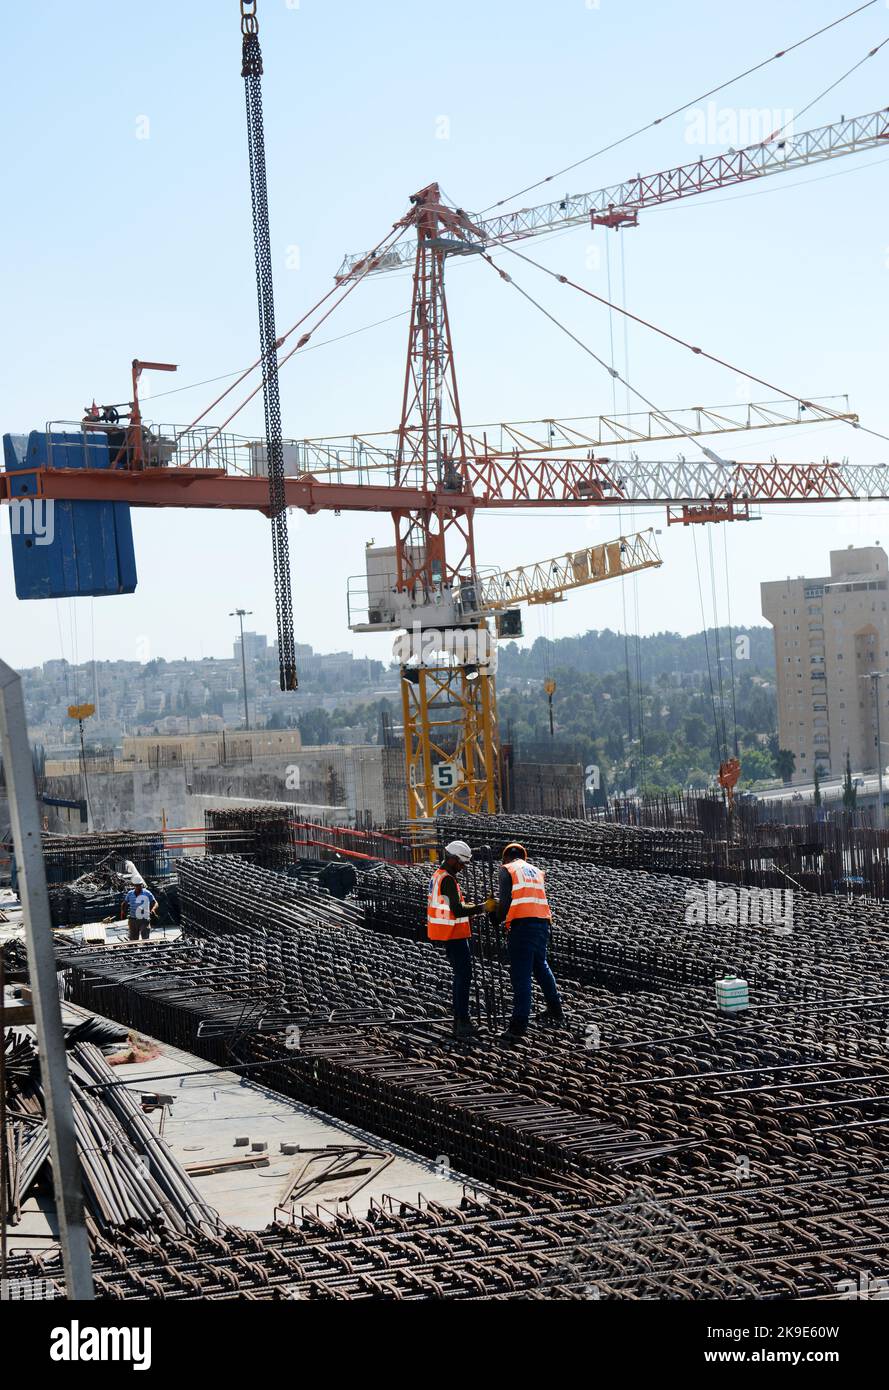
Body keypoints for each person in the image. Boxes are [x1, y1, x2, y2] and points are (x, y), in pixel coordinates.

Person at [490, 842, 563, 1044]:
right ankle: (556, 1010)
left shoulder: (507, 870)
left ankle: (518, 1026)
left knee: (521, 975)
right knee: (541, 966)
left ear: (506, 858)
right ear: (524, 857)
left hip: (522, 926)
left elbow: (505, 902)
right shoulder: (536, 871)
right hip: (542, 923)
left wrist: (496, 917)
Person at [427, 840, 495, 1040]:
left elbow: (453, 905)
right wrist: (483, 907)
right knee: (463, 977)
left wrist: (470, 906)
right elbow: (456, 910)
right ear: (453, 859)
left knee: (461, 976)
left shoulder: (439, 876)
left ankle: (461, 1021)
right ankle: (462, 1022)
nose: (463, 867)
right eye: (462, 863)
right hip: (453, 935)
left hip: (449, 934)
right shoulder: (446, 879)